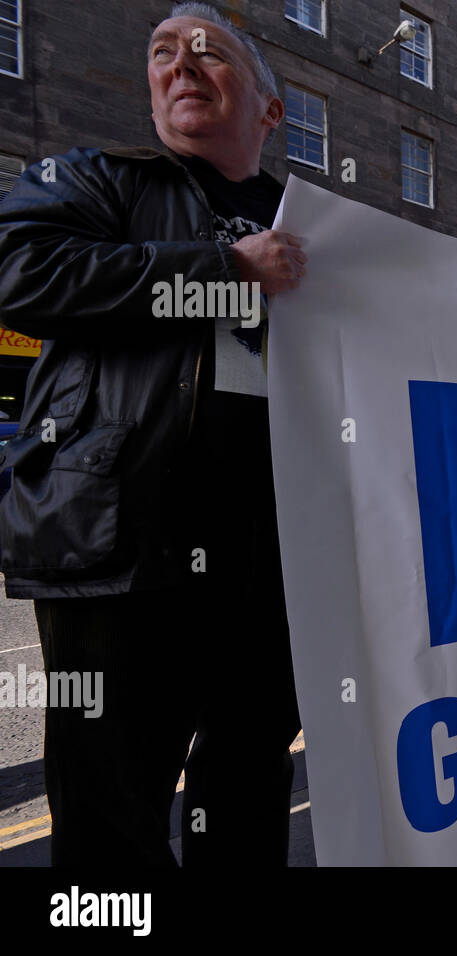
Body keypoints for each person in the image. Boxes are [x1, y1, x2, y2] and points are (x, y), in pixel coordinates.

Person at [0, 2, 306, 865]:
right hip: (122, 543)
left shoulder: (320, 223)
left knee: (247, 788)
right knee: (109, 815)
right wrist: (220, 271)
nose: (180, 65)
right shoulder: (98, 178)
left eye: (209, 54)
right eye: (162, 54)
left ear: (270, 110)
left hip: (277, 555)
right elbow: (19, 274)